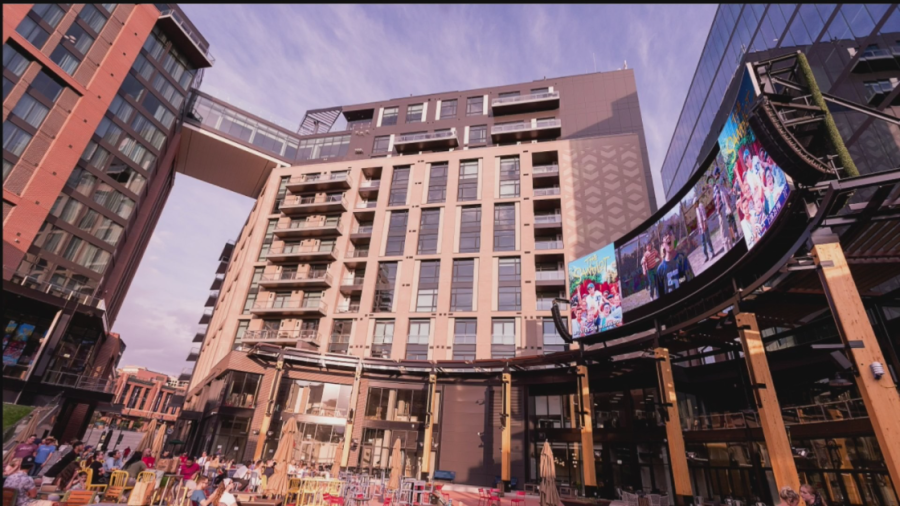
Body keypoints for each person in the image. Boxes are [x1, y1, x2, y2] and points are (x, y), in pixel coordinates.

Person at [655, 226, 695, 296]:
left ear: (674, 239)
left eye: (670, 234)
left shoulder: (682, 259)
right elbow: (660, 296)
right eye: (665, 235)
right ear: (663, 244)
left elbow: (691, 280)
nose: (668, 236)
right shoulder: (660, 270)